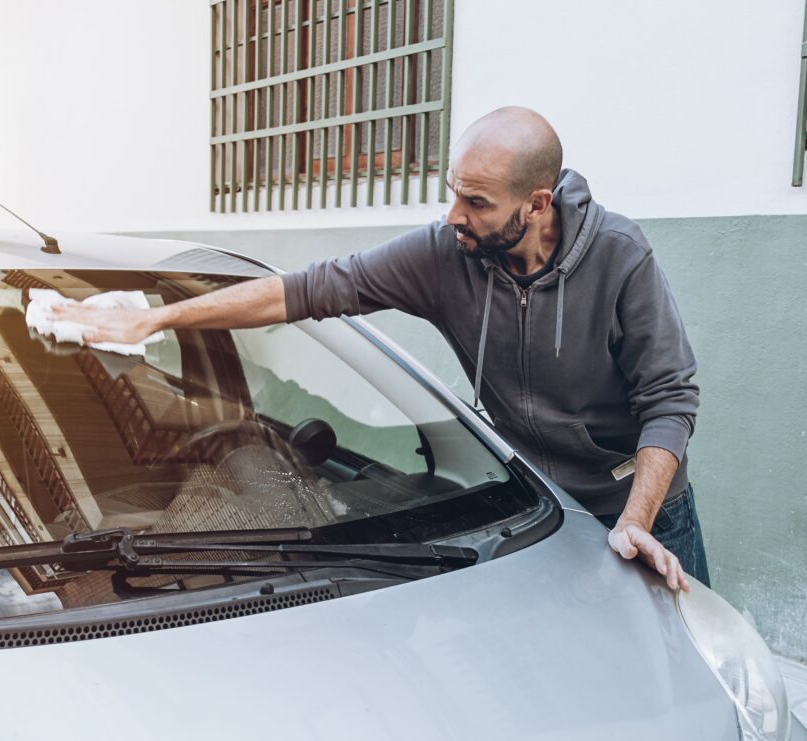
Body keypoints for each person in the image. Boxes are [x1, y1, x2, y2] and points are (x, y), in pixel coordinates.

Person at [53, 106, 707, 592]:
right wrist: (158, 320)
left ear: (536, 205)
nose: (454, 214)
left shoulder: (620, 256)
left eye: (475, 202)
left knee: (682, 675)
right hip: (540, 513)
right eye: (454, 191)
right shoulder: (446, 253)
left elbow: (670, 399)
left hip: (641, 513)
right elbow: (302, 292)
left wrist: (637, 521)